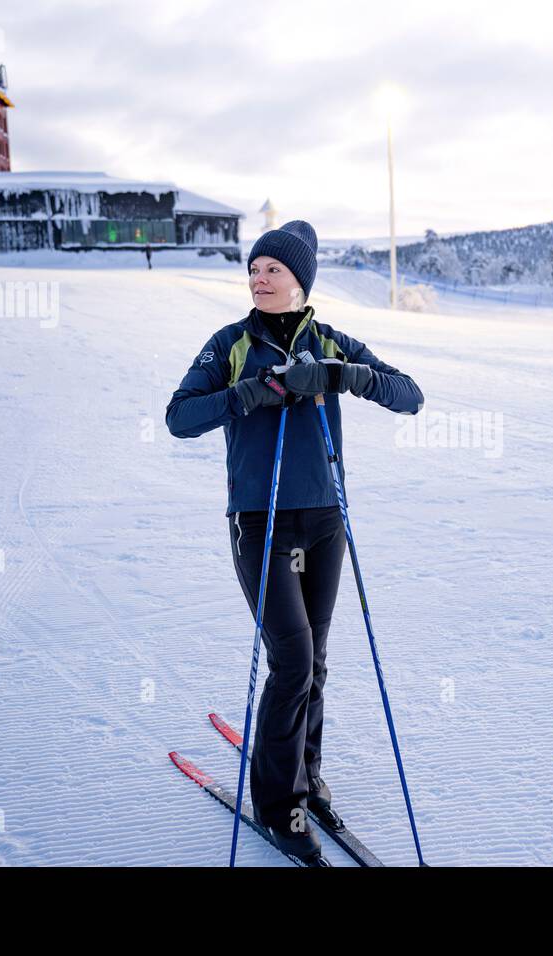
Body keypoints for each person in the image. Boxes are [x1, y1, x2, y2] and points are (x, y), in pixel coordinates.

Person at [165, 220, 423, 864]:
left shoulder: (330, 340)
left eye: (272, 269)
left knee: (318, 659)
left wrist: (342, 377)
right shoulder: (230, 343)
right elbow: (179, 417)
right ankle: (279, 806)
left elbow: (409, 395)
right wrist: (253, 392)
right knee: (293, 661)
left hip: (323, 519)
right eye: (252, 269)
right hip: (261, 521)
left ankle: (305, 777)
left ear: (300, 279)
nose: (258, 278)